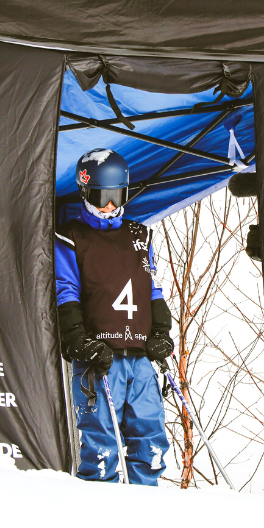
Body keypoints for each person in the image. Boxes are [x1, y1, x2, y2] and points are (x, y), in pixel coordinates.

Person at [55, 148, 175, 484]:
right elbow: (66, 290)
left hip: (139, 354)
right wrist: (77, 338)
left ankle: (145, 502)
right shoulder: (70, 236)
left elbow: (151, 286)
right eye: (101, 197)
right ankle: (99, 506)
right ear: (84, 191)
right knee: (102, 446)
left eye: (116, 197)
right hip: (99, 358)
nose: (109, 206)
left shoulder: (140, 235)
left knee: (151, 438)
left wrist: (161, 331)